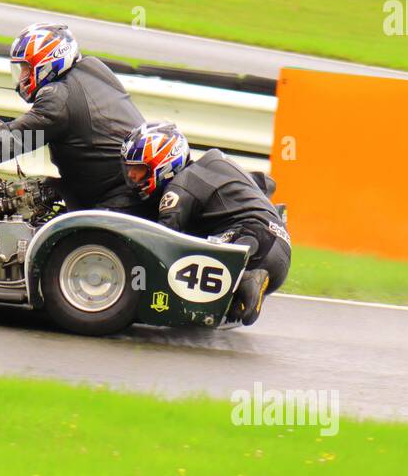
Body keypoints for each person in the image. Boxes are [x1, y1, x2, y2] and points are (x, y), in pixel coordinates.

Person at [0, 23, 146, 212]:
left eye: (26, 68)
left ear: (47, 64)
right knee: (36, 192)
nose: (22, 77)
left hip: (117, 199)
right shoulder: (92, 68)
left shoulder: (59, 98)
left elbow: (9, 141)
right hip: (115, 187)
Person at [122, 121, 290, 325]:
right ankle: (238, 292)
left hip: (251, 243)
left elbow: (161, 240)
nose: (131, 176)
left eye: (139, 169)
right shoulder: (215, 167)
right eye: (129, 169)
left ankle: (246, 280)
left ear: (165, 164)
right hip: (279, 248)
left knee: (173, 253)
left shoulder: (180, 187)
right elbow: (267, 183)